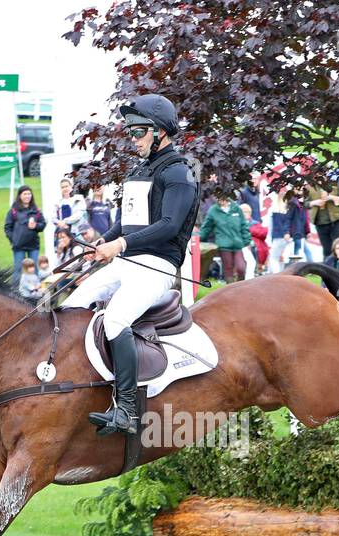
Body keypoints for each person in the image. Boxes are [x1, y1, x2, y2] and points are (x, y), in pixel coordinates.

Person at [62, 93, 200, 436]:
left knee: (116, 319)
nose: (133, 139)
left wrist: (120, 244)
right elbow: (128, 220)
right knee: (70, 307)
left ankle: (126, 409)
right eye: (131, 133)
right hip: (127, 261)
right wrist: (103, 242)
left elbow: (169, 225)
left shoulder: (180, 173)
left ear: (160, 132)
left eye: (139, 132)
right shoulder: (141, 170)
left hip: (158, 265)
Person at [200, 194, 251, 283]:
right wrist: (198, 238)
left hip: (237, 245)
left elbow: (243, 225)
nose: (219, 199)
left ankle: (239, 286)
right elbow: (206, 228)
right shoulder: (213, 210)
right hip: (224, 246)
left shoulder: (236, 208)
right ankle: (231, 289)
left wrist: (247, 240)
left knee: (241, 268)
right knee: (228, 270)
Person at [5, 185, 46, 272]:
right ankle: (17, 282)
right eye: (25, 194)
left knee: (34, 270)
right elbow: (7, 227)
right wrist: (13, 239)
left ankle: (35, 282)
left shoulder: (36, 210)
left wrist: (36, 226)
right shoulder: (13, 211)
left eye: (29, 194)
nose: (27, 196)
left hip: (33, 245)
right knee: (18, 270)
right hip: (19, 245)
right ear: (20, 195)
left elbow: (43, 224)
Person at [267, 184, 307, 273]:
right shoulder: (288, 209)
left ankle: (277, 275)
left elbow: (273, 226)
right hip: (287, 236)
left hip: (279, 236)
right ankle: (280, 274)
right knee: (282, 258)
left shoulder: (275, 210)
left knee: (274, 257)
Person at [307, 182, 339, 256]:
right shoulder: (310, 186)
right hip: (319, 223)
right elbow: (304, 203)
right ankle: (328, 263)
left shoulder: (334, 183)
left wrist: (331, 197)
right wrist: (314, 202)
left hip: (335, 222)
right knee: (327, 250)